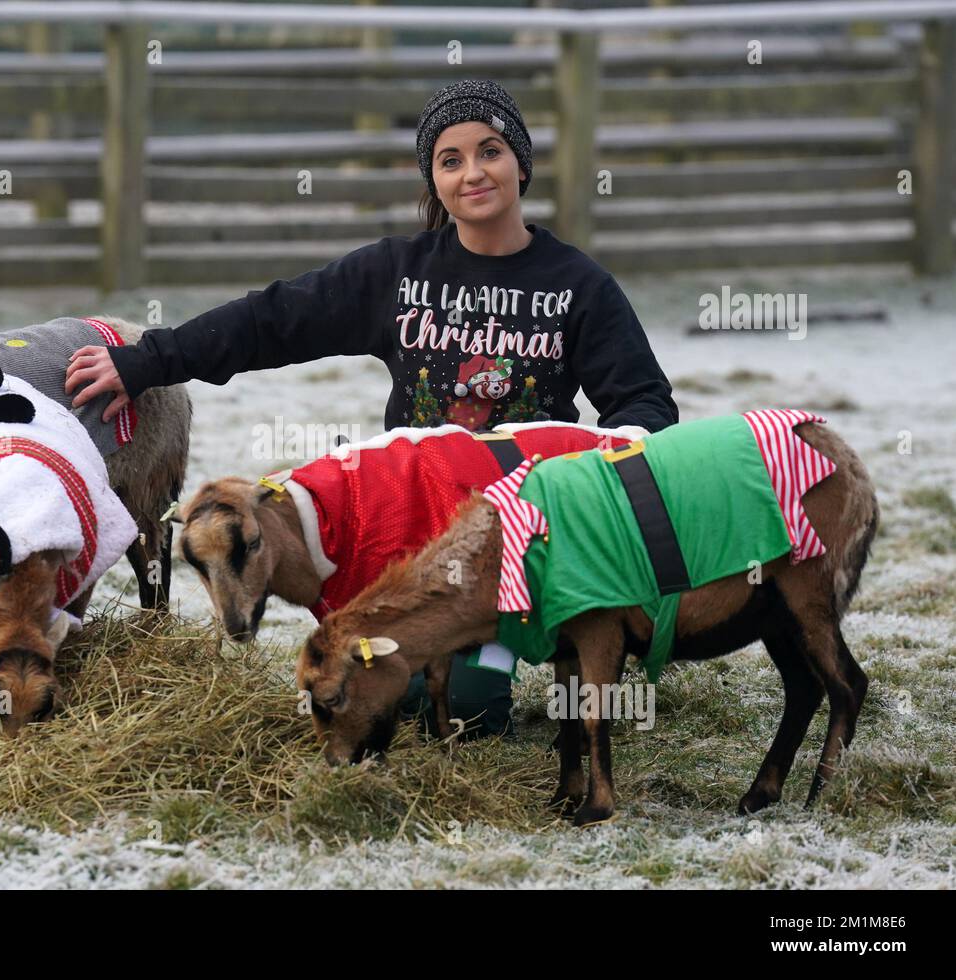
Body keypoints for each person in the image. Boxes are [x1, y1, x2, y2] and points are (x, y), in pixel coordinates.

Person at [65, 78, 678, 739]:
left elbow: (646, 406)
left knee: (466, 711)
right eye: (451, 159)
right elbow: (273, 320)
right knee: (380, 698)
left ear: (521, 163)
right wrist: (145, 362)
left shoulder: (577, 286)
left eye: (491, 151)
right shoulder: (400, 275)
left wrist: (602, 496)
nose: (473, 172)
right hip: (406, 539)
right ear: (433, 179)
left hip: (517, 544)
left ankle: (501, 651)